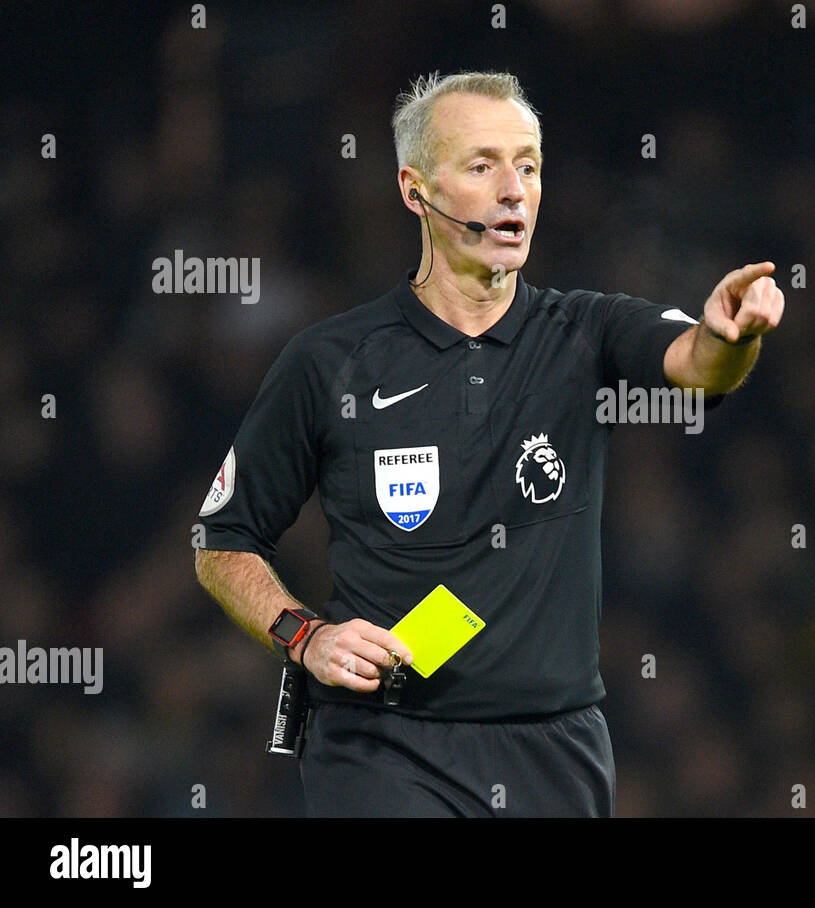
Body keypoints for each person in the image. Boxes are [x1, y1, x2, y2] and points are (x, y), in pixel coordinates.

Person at [193, 70, 783, 817]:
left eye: (528, 166)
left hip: (554, 751)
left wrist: (733, 337)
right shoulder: (330, 361)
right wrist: (303, 634)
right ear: (415, 190)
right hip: (383, 743)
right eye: (482, 166)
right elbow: (221, 538)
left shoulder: (586, 332)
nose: (514, 190)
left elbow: (696, 365)